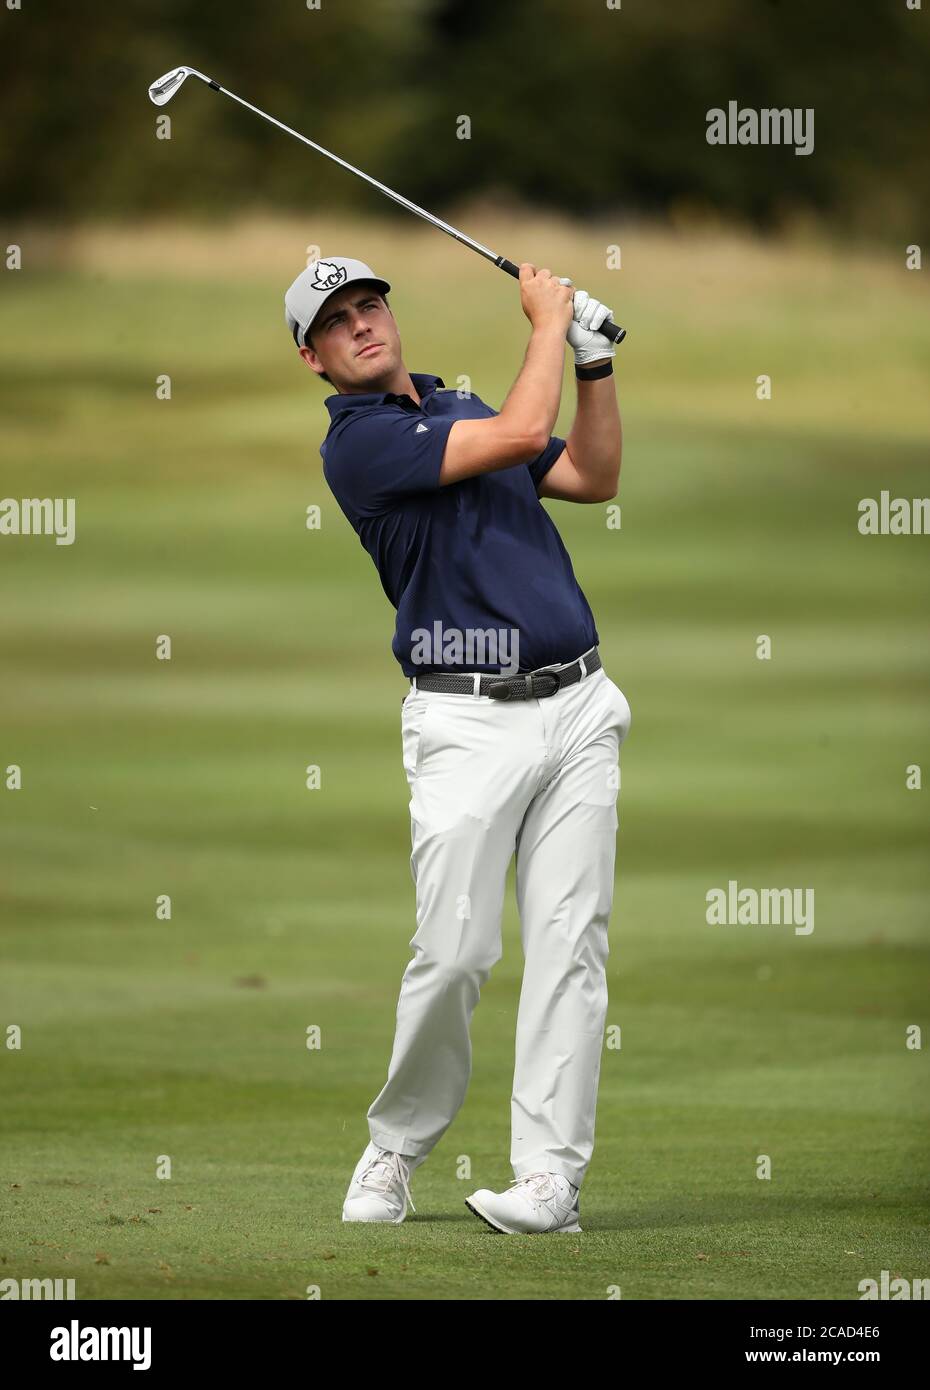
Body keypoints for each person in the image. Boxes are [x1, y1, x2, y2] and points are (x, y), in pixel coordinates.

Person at [284, 254, 632, 1233]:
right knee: (456, 950)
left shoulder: (465, 405)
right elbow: (526, 430)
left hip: (579, 707)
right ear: (314, 359)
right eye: (335, 322)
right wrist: (545, 320)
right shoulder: (358, 448)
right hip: (465, 721)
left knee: (572, 946)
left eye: (369, 304)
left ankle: (549, 1182)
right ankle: (395, 1147)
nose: (361, 324)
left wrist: (592, 362)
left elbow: (592, 477)